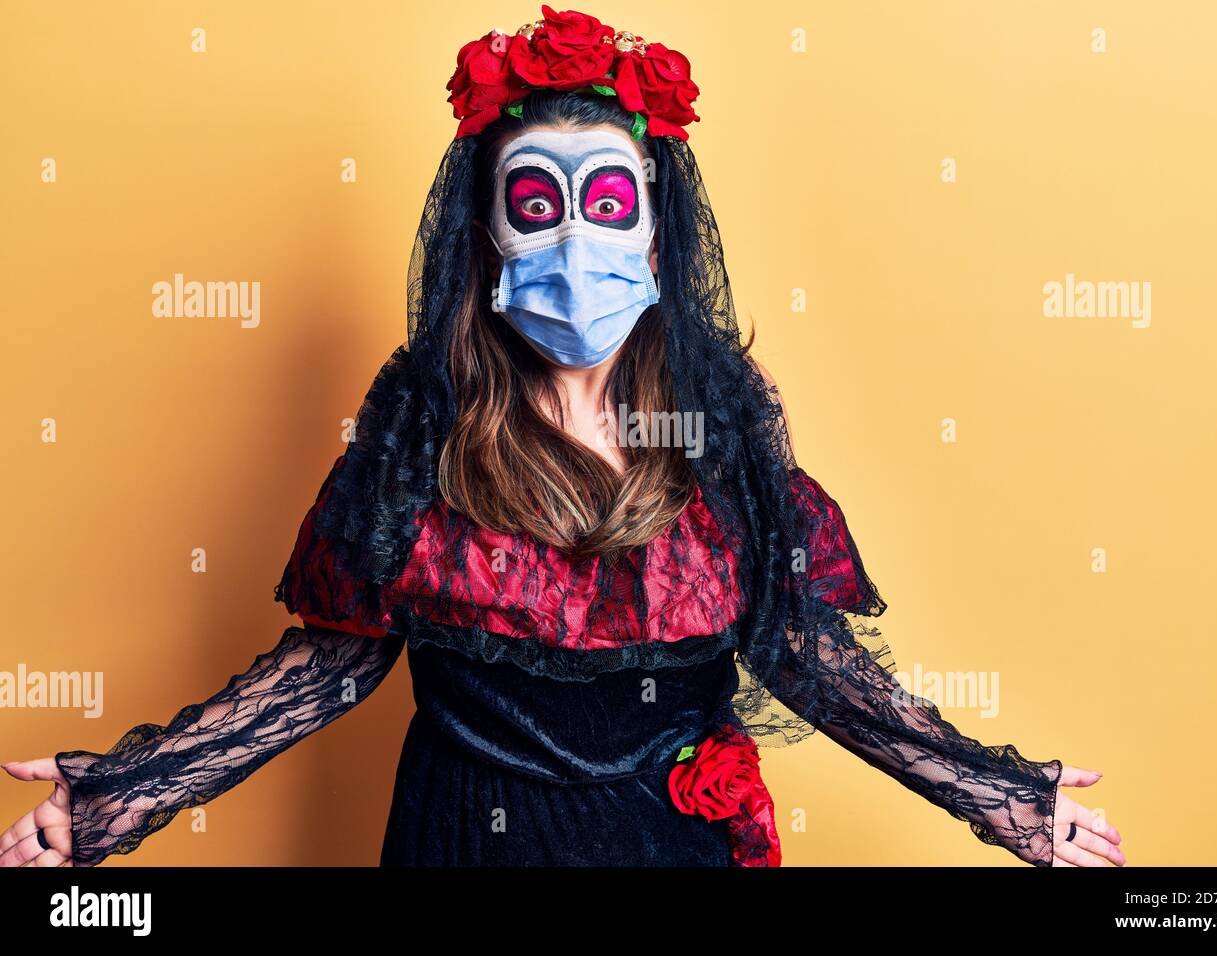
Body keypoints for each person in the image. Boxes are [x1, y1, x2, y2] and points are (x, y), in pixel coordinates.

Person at [1, 5, 1124, 868]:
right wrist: (119, 793)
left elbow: (800, 651)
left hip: (666, 839)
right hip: (465, 835)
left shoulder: (723, 411)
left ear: (656, 227)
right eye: (537, 204)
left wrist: (1002, 796)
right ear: (484, 235)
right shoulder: (422, 413)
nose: (575, 240)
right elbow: (335, 660)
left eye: (608, 203)